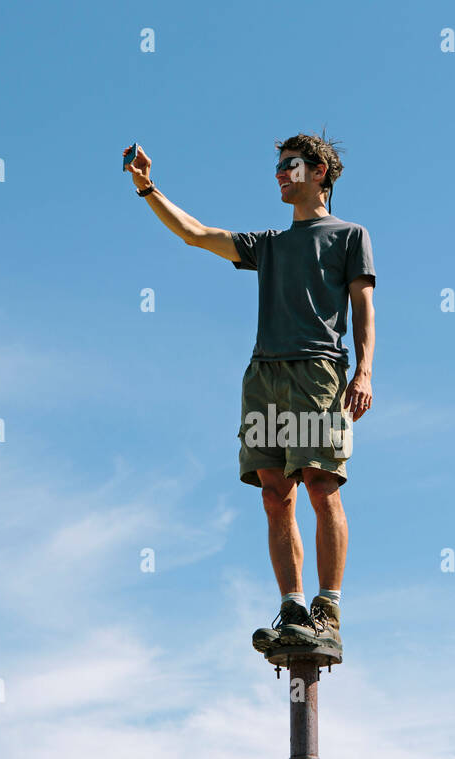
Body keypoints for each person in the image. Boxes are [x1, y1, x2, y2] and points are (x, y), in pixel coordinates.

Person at [123, 131, 376, 658]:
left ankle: (327, 613)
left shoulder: (350, 236)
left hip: (317, 371)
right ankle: (292, 609)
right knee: (273, 494)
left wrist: (364, 372)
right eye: (278, 166)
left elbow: (363, 308)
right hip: (263, 376)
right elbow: (196, 234)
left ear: (321, 172)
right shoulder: (269, 244)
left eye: (291, 165)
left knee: (320, 484)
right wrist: (148, 188)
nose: (281, 173)